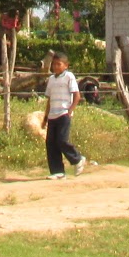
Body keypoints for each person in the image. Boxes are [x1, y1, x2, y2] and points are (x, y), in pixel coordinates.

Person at [42, 51, 88, 179]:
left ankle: (77, 159)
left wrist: (70, 111)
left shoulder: (69, 77)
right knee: (51, 143)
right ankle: (58, 172)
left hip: (63, 114)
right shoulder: (51, 79)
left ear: (66, 65)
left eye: (59, 64)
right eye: (54, 64)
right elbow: (49, 100)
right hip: (52, 115)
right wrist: (45, 117)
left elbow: (77, 96)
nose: (56, 67)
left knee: (61, 140)